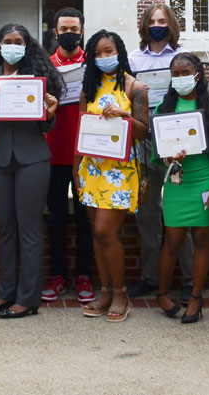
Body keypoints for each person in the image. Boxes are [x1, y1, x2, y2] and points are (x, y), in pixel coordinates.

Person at [0, 24, 62, 319]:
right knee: (6, 229)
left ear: (27, 45)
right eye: (7, 41)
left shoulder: (38, 78)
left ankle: (28, 298)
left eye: (18, 41)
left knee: (29, 229)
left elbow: (46, 126)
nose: (12, 45)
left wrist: (50, 113)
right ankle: (6, 295)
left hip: (33, 160)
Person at [153, 52, 209, 324]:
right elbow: (158, 154)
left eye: (185, 72)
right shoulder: (163, 109)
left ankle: (196, 299)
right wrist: (169, 158)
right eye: (175, 74)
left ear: (198, 74)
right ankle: (162, 293)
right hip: (178, 183)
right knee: (172, 242)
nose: (180, 78)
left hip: (205, 182)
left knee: (201, 240)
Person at [75, 30, 149, 322]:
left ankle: (121, 293)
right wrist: (76, 170)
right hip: (91, 169)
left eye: (109, 51)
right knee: (97, 233)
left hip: (120, 170)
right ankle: (105, 291)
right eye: (98, 53)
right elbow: (81, 132)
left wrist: (125, 116)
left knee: (106, 230)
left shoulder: (136, 87)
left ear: (120, 52)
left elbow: (145, 131)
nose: (104, 58)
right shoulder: (89, 88)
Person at [126, 3, 188, 300]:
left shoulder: (182, 56)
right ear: (144, 26)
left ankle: (188, 279)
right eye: (152, 21)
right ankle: (150, 276)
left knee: (180, 209)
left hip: (175, 144)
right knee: (147, 214)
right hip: (143, 142)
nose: (157, 25)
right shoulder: (133, 59)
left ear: (171, 24)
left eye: (163, 20)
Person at [43, 7, 95, 304]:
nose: (69, 33)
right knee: (56, 219)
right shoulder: (46, 66)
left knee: (85, 219)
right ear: (55, 32)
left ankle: (84, 275)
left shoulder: (93, 65)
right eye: (63, 28)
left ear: (82, 31)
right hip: (53, 153)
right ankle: (59, 274)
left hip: (86, 153)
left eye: (74, 28)